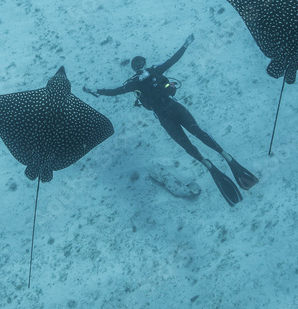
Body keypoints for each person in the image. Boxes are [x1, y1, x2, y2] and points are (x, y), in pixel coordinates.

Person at [84, 35, 258, 206]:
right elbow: (173, 59)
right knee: (197, 131)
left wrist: (95, 90)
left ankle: (207, 164)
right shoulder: (154, 71)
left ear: (134, 69)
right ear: (144, 63)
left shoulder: (133, 83)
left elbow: (114, 91)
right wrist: (185, 44)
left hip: (164, 118)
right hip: (176, 108)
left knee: (186, 144)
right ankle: (225, 155)